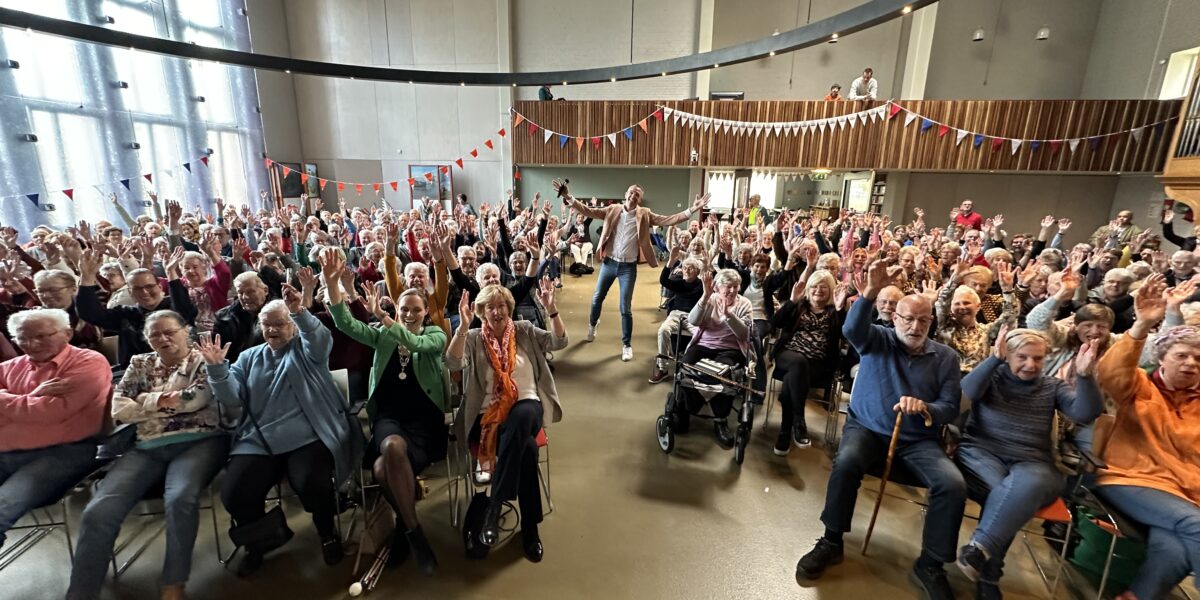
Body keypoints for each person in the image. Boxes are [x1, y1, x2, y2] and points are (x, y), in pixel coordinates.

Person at [796, 260, 965, 600]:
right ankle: (832, 540)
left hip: (918, 439)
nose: (915, 326)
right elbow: (851, 331)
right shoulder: (878, 339)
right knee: (845, 463)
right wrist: (870, 293)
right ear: (894, 318)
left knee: (953, 484)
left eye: (923, 320)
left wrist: (927, 408)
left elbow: (950, 405)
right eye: (908, 318)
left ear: (931, 322)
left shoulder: (946, 357)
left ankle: (930, 563)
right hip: (868, 427)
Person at [201, 285, 362, 577]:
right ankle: (259, 542)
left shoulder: (308, 349)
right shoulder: (249, 357)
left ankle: (327, 533)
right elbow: (231, 398)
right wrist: (217, 370)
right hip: (259, 440)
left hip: (309, 434)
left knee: (313, 482)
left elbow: (320, 338)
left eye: (280, 323)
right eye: (267, 325)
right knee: (234, 492)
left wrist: (300, 311)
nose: (273, 330)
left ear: (292, 325)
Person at [67, 311, 229, 600]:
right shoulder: (139, 363)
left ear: (186, 331)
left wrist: (143, 399)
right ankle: (81, 592)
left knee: (180, 498)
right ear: (146, 338)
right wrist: (166, 401)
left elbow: (197, 400)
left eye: (170, 332)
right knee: (98, 510)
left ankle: (173, 584)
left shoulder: (204, 358)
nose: (162, 338)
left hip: (199, 441)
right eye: (154, 334)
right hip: (146, 446)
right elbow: (119, 407)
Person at [954, 329, 1102, 599]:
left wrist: (1085, 376)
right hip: (982, 452)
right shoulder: (993, 376)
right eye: (1022, 357)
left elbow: (1086, 412)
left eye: (1038, 358)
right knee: (1004, 495)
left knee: (1019, 489)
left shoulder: (1052, 386)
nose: (1031, 365)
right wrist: (993, 360)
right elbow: (967, 392)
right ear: (1007, 355)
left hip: (1032, 462)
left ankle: (980, 548)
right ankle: (989, 575)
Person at [323, 250, 443, 576]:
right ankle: (415, 532)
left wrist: (386, 318)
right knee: (389, 446)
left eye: (415, 309)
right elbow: (344, 323)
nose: (408, 314)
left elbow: (416, 344)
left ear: (425, 311)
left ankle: (404, 532)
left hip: (424, 424)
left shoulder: (435, 335)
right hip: (389, 419)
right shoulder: (382, 336)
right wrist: (333, 283)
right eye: (403, 309)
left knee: (380, 471)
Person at [1093, 277, 1200, 600]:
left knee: (1175, 546)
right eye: (1182, 355)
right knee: (1197, 527)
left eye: (1198, 359)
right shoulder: (1139, 385)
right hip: (1129, 478)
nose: (1192, 363)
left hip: (1186, 493)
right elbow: (1108, 375)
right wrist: (1141, 326)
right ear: (1162, 358)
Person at [446, 281, 567, 563]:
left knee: (523, 416)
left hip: (527, 405)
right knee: (526, 449)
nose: (497, 311)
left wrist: (552, 310)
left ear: (509, 308)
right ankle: (530, 528)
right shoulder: (474, 337)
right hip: (486, 417)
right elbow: (452, 364)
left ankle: (495, 507)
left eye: (501, 305)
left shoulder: (523, 331)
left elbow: (559, 342)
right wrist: (463, 327)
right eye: (490, 306)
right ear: (481, 311)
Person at [556, 179, 709, 361]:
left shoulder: (644, 214)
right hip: (609, 263)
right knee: (597, 298)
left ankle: (626, 344)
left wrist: (692, 209)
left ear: (639, 200)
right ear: (625, 195)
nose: (633, 195)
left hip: (628, 267)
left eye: (637, 194)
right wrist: (567, 196)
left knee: (625, 308)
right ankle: (592, 324)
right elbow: (587, 210)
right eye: (631, 192)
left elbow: (668, 219)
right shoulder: (612, 210)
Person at [0, 309, 111, 549]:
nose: (31, 344)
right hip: (6, 451)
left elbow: (50, 412)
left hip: (64, 452)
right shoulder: (8, 368)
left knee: (2, 508)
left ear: (67, 333)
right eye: (22, 338)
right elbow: (37, 410)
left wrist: (7, 401)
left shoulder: (89, 362)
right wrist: (33, 397)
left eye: (41, 336)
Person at [670, 268, 753, 447]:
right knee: (686, 367)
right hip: (704, 345)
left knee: (723, 375)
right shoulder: (710, 299)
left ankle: (720, 419)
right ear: (717, 287)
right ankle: (688, 408)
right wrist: (704, 297)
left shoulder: (744, 304)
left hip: (731, 348)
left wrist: (729, 315)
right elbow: (692, 321)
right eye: (728, 287)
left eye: (735, 287)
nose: (732, 291)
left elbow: (745, 334)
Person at [76, 247, 198, 369]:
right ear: (130, 292)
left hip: (181, 369)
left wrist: (171, 271)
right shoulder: (126, 314)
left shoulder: (176, 308)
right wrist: (87, 277)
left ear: (160, 287)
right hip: (136, 374)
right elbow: (90, 313)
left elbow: (184, 311)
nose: (145, 292)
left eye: (149, 286)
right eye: (137, 289)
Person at [770, 270, 847, 455]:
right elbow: (776, 322)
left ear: (830, 291)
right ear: (808, 289)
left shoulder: (833, 311)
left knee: (792, 379)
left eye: (824, 287)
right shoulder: (799, 305)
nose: (818, 290)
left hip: (818, 364)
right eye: (814, 286)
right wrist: (791, 301)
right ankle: (799, 420)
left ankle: (785, 431)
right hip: (788, 355)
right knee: (798, 363)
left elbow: (845, 336)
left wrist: (840, 311)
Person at [649, 248, 704, 384]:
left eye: (690, 268)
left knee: (699, 335)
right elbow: (664, 281)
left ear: (697, 272)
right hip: (676, 314)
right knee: (663, 330)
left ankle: (687, 364)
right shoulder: (680, 282)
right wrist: (670, 262)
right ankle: (663, 368)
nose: (686, 270)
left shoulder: (701, 285)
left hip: (693, 316)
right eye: (685, 268)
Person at [213, 272, 272, 362]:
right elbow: (218, 352)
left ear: (265, 290)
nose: (245, 297)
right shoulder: (223, 317)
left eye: (250, 292)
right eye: (240, 293)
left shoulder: (278, 313)